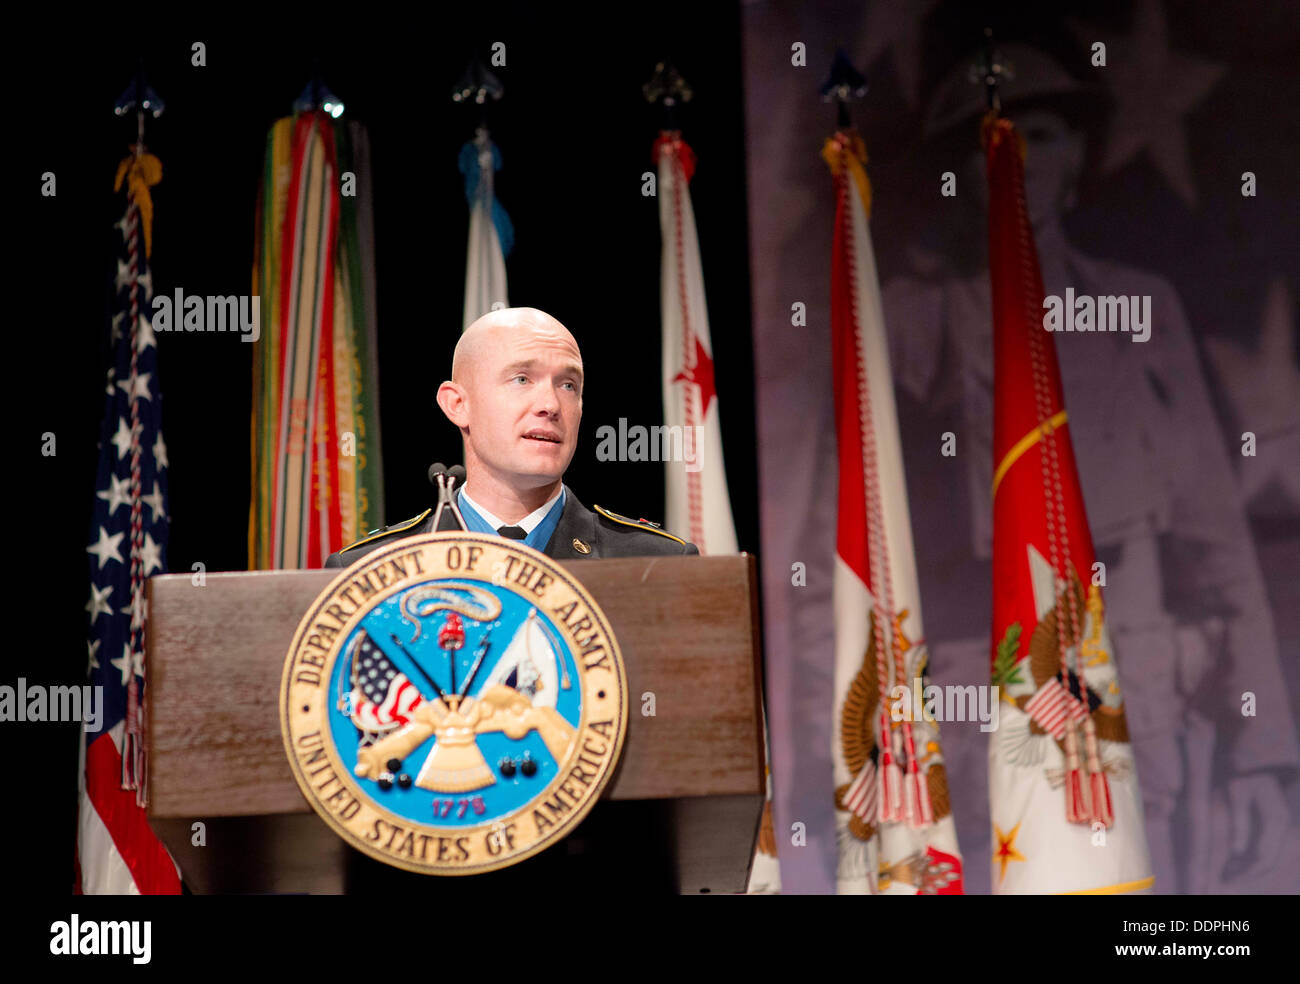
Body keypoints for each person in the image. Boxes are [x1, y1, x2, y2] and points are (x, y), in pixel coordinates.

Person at [325, 306, 698, 567]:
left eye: (568, 385)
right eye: (522, 379)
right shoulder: (367, 571)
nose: (550, 404)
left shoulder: (655, 562)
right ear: (457, 405)